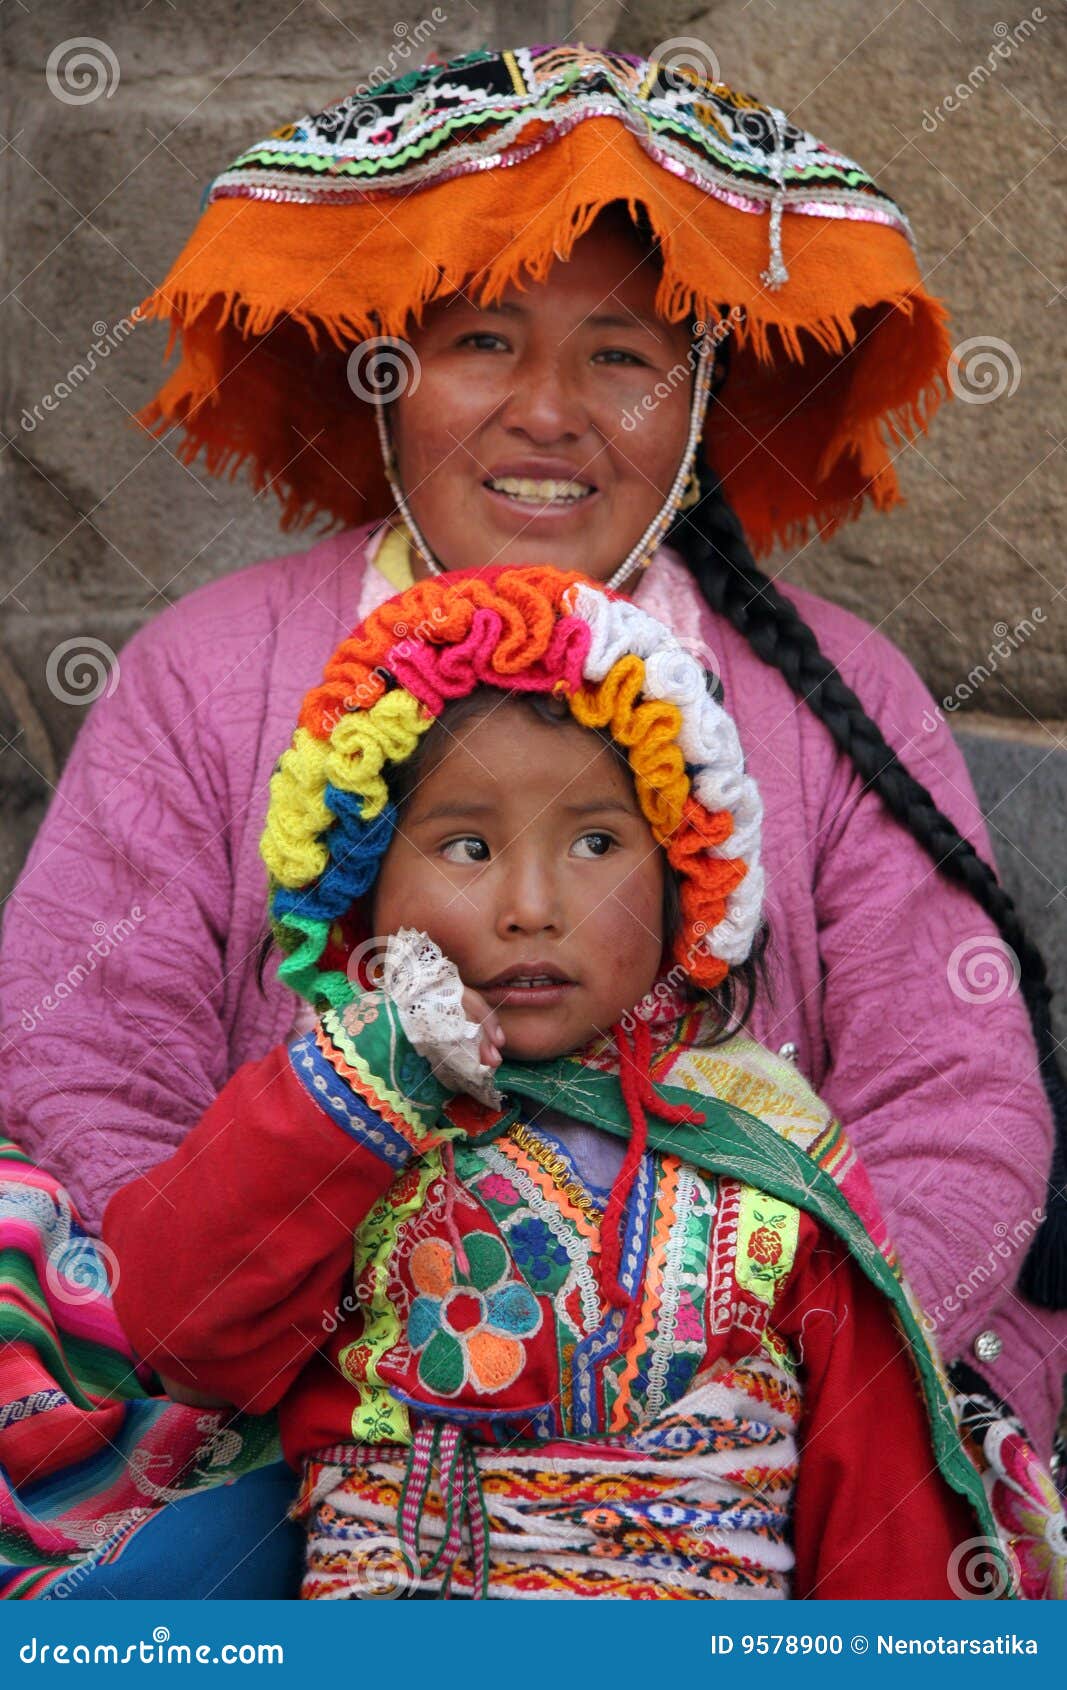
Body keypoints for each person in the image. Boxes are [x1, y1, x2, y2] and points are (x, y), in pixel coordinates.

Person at [1, 43, 1064, 1596]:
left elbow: (957, 1102)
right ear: (381, 373)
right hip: (285, 1426)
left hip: (744, 1449)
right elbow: (85, 1065)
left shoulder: (843, 698)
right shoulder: (202, 677)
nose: (548, 412)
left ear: (695, 401)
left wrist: (737, 1358)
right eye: (481, 341)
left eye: (620, 355)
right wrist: (340, 1342)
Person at [100, 565, 1024, 1599]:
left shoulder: (771, 1154)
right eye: (466, 845)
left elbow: (880, 1513)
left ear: (684, 877)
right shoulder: (333, 1113)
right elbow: (183, 1334)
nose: (531, 905)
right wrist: (365, 1080)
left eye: (595, 842)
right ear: (363, 887)